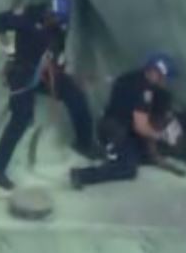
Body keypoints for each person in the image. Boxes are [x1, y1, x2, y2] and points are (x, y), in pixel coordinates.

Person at [0, 0, 96, 189]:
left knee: (76, 95)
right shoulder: (28, 15)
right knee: (21, 118)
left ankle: (84, 142)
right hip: (22, 71)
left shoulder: (60, 26)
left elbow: (56, 51)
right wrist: (7, 50)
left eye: (57, 20)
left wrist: (54, 70)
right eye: (52, 17)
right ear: (47, 10)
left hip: (44, 71)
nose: (53, 22)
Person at [69, 53, 178, 189]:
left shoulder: (132, 77)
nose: (165, 82)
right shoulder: (144, 89)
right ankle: (82, 175)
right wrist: (162, 136)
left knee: (139, 153)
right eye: (164, 78)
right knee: (127, 168)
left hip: (117, 126)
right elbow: (141, 126)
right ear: (157, 72)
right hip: (115, 129)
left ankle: (116, 152)